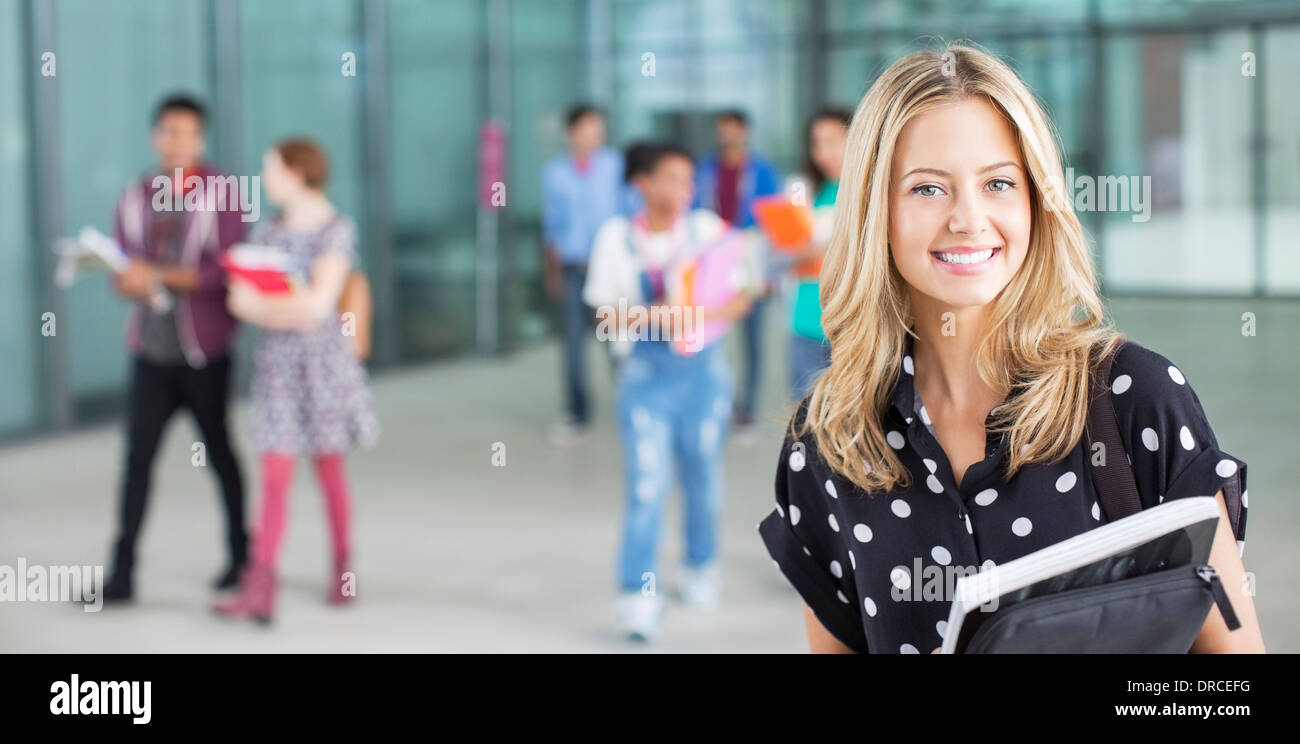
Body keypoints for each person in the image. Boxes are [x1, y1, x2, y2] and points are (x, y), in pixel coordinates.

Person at [757, 45, 1264, 654]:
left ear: (1036, 200)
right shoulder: (829, 439)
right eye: (927, 189)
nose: (969, 219)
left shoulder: (1136, 400)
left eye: (998, 183)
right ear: (874, 211)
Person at [584, 143, 756, 641]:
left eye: (687, 180)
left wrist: (701, 315)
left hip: (703, 372)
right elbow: (602, 314)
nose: (683, 190)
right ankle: (638, 594)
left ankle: (700, 566)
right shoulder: (616, 239)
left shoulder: (707, 232)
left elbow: (743, 294)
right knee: (646, 483)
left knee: (703, 473)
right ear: (642, 184)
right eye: (671, 179)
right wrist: (658, 314)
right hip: (643, 374)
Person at [215, 138, 379, 624]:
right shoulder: (267, 231)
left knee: (329, 473)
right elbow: (239, 302)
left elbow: (316, 309)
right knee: (274, 475)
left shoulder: (336, 229)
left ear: (296, 171)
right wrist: (288, 306)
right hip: (277, 371)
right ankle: (260, 584)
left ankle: (343, 568)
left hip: (324, 369)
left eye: (271, 167)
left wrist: (271, 308)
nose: (265, 177)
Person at [101, 94, 248, 603]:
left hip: (204, 351)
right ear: (155, 136)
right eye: (169, 132)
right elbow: (123, 270)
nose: (179, 143)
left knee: (220, 454)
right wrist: (127, 280)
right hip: (152, 352)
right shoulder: (135, 195)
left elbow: (226, 269)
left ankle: (241, 558)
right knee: (137, 461)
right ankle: (121, 576)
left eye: (189, 134)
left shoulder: (224, 194)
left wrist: (159, 274)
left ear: (201, 139)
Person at [541, 104, 625, 446]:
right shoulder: (554, 173)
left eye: (599, 129)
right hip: (573, 268)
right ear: (571, 132)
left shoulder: (615, 166)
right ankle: (576, 412)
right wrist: (552, 271)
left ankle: (630, 405)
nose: (596, 135)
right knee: (573, 347)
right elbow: (552, 226)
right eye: (589, 128)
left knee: (617, 343)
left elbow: (628, 212)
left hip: (609, 271)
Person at [694, 110, 781, 437]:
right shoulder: (705, 170)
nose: (728, 136)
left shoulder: (763, 172)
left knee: (752, 340)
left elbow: (773, 221)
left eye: (734, 130)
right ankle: (715, 403)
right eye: (723, 131)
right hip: (712, 264)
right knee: (709, 334)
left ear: (744, 132)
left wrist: (769, 273)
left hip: (749, 263)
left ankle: (747, 410)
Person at [786, 107, 852, 401]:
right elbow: (788, 254)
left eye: (834, 141)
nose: (824, 152)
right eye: (817, 143)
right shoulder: (809, 192)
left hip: (852, 322)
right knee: (807, 416)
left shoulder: (870, 192)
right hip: (806, 318)